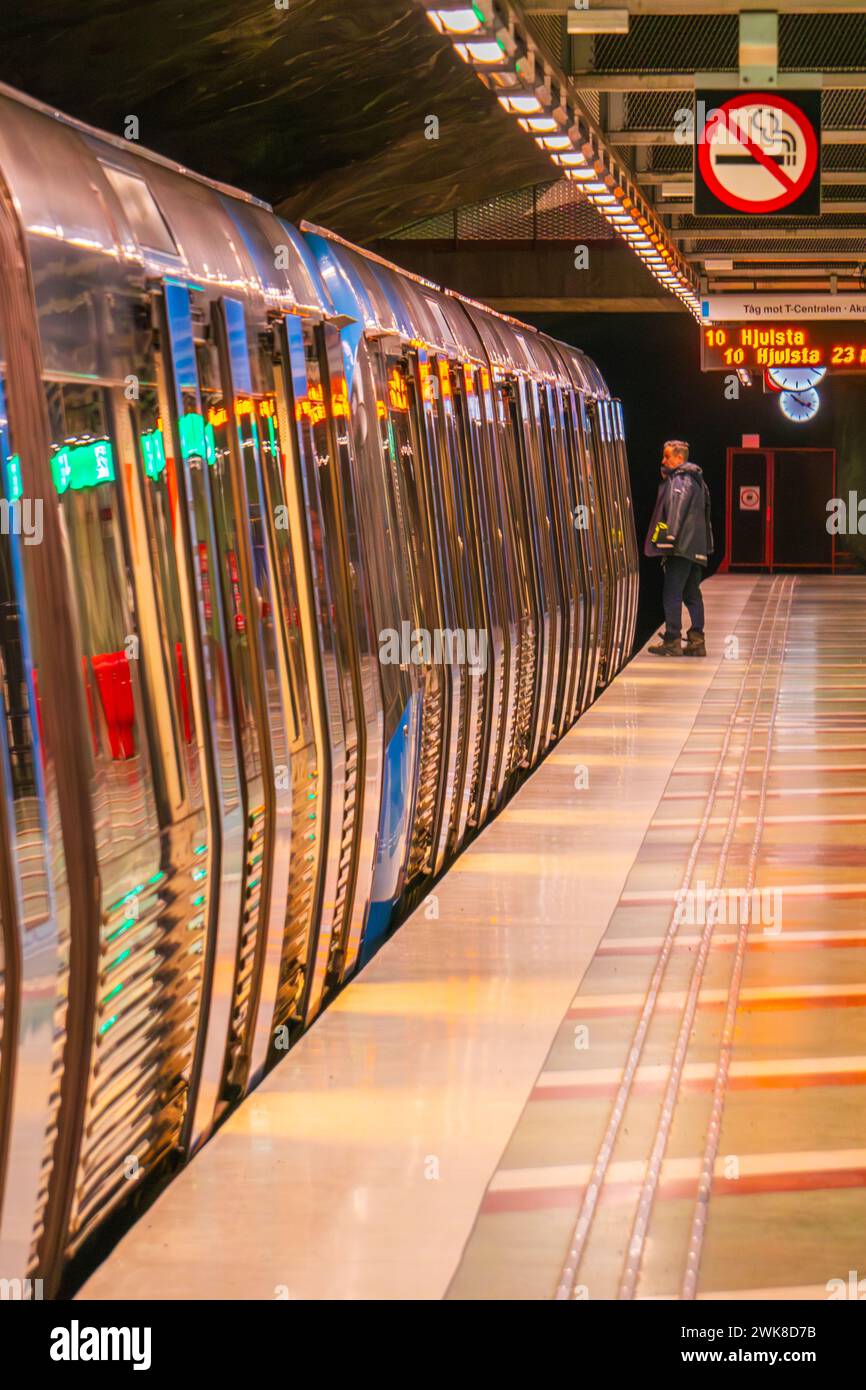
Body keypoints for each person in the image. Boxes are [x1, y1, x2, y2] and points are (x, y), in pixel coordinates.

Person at [643, 440, 713, 657]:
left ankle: (673, 638)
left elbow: (676, 508)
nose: (663, 461)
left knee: (672, 592)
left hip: (680, 546)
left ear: (679, 459)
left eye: (667, 456)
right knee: (692, 592)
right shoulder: (698, 480)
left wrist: (669, 537)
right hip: (695, 546)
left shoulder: (680, 479)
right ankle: (696, 639)